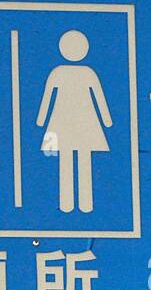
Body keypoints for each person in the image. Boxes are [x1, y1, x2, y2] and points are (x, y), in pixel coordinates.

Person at [35, 30, 112, 213]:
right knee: (72, 159)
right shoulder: (79, 73)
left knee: (73, 159)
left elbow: (98, 97)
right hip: (74, 121)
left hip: (75, 121)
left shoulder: (74, 73)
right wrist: (107, 120)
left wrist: (41, 120)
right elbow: (48, 97)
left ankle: (75, 203)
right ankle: (75, 203)